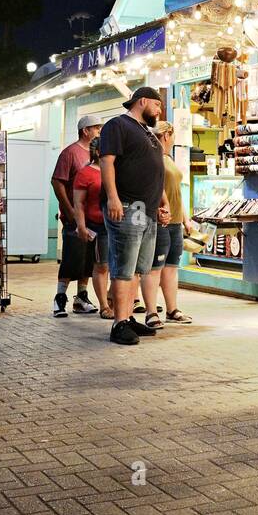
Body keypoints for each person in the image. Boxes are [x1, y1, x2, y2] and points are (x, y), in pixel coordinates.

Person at [99, 86, 169, 345]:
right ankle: (119, 324)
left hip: (148, 211)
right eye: (157, 105)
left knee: (139, 269)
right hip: (127, 206)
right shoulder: (117, 125)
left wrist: (161, 204)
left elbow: (154, 171)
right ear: (142, 101)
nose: (159, 110)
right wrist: (113, 198)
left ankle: (128, 318)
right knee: (123, 268)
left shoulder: (145, 131)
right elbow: (107, 162)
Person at [141, 121, 193, 328]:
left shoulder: (168, 159)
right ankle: (151, 312)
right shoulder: (151, 159)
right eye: (173, 136)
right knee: (154, 268)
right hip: (161, 220)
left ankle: (172, 309)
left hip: (176, 220)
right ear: (166, 135)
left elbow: (176, 192)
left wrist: (186, 218)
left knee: (171, 267)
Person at [50, 114, 103, 316]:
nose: (99, 131)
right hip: (74, 217)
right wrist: (69, 210)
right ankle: (60, 298)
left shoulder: (96, 155)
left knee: (89, 259)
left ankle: (81, 297)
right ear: (85, 131)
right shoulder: (70, 153)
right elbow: (57, 182)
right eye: (96, 128)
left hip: (93, 217)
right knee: (72, 258)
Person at [70, 136, 111, 316]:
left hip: (117, 224)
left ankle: (116, 300)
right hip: (98, 226)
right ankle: (104, 306)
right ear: (97, 152)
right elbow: (78, 203)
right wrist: (81, 226)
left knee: (119, 267)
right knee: (101, 265)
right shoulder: (85, 173)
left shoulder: (114, 170)